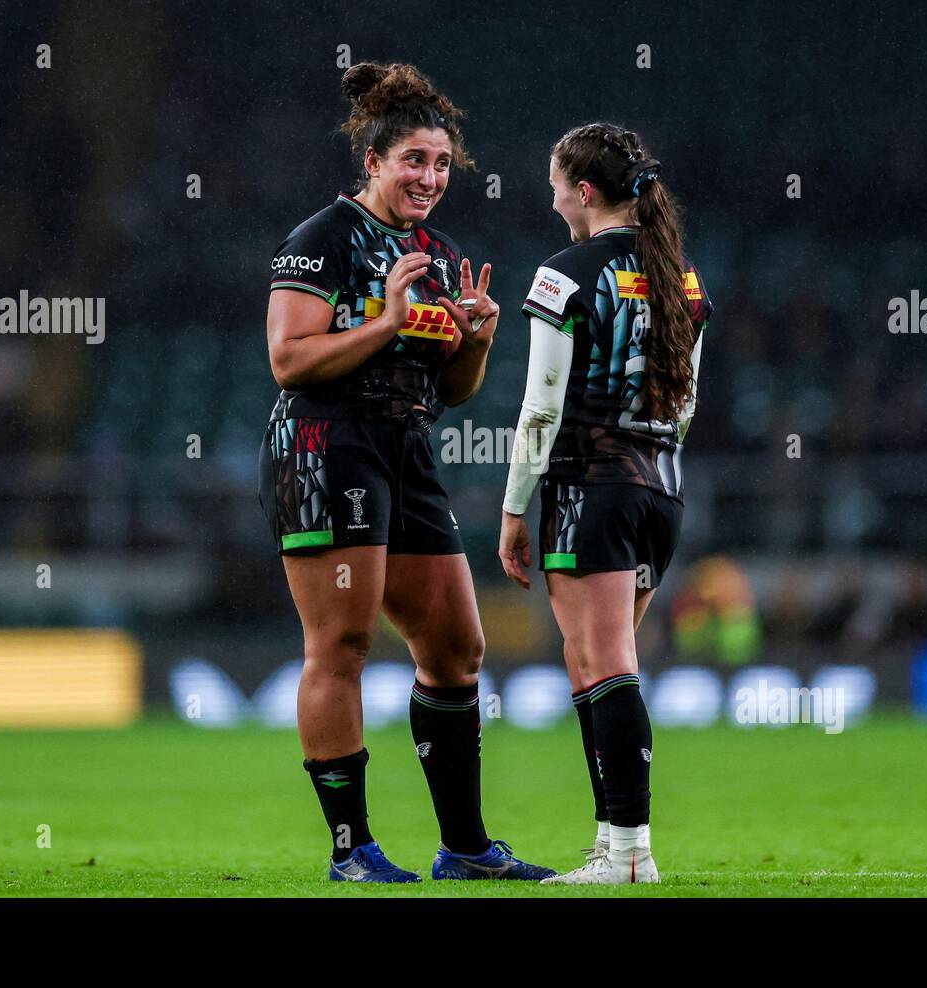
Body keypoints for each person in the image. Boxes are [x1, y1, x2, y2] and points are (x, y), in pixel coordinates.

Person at [260, 61, 554, 883]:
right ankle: (351, 849)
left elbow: (451, 390)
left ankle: (464, 848)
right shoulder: (324, 238)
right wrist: (389, 321)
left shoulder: (438, 252)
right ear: (374, 164)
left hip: (408, 445)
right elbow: (288, 359)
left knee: (459, 647)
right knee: (342, 646)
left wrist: (479, 340)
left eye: (440, 164)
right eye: (413, 161)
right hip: (327, 445)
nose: (429, 178)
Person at [499, 122, 710, 884]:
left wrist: (515, 504)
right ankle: (610, 845)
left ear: (582, 192)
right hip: (662, 488)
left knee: (607, 662)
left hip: (592, 482)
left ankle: (630, 855)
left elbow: (541, 408)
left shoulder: (562, 275)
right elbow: (685, 403)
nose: (551, 197)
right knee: (592, 662)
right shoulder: (681, 277)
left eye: (555, 184)